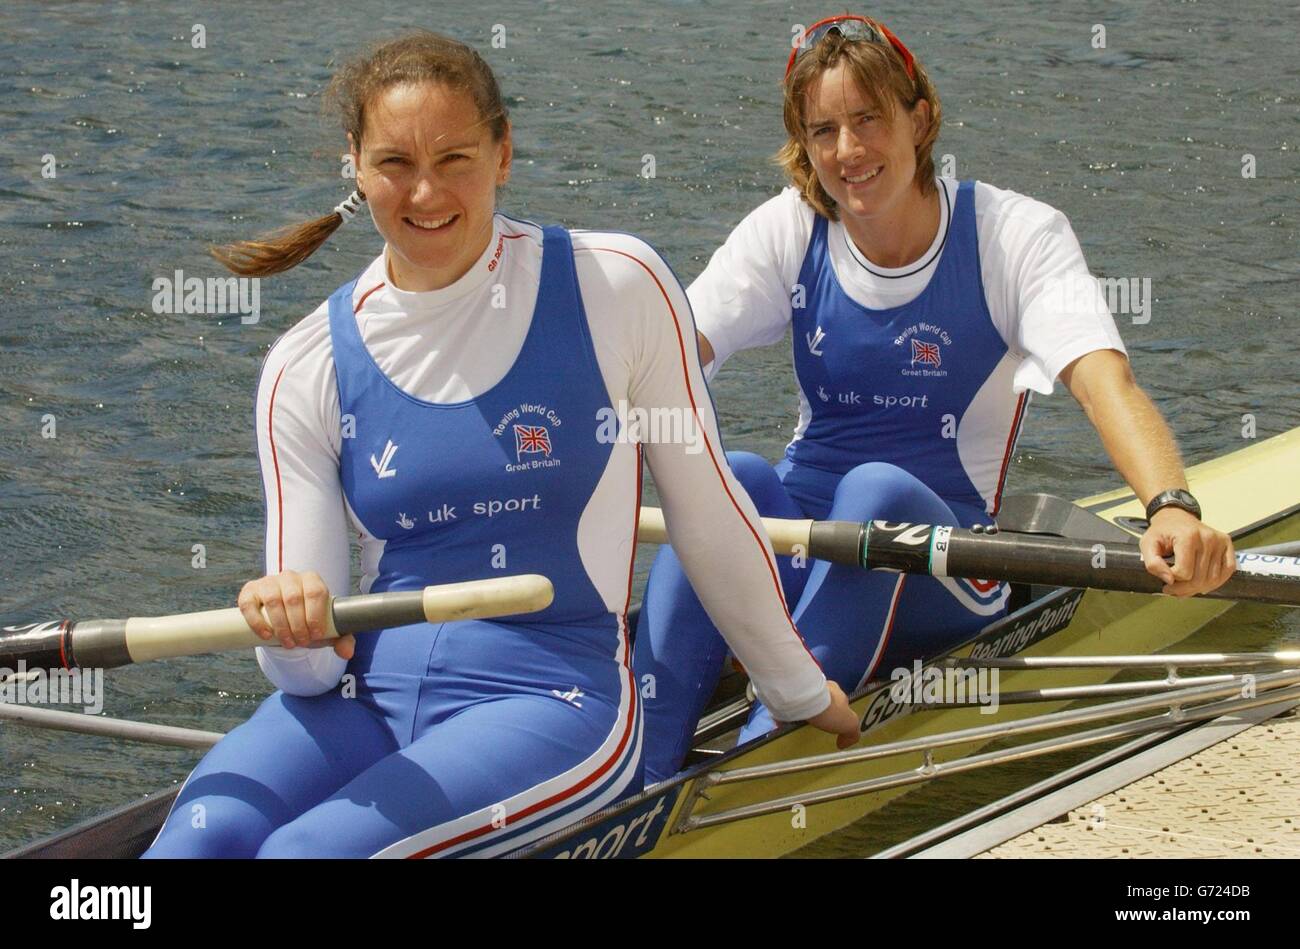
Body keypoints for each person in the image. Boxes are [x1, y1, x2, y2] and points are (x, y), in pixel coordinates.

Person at [142, 30, 857, 859]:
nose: (425, 192)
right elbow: (305, 674)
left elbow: (709, 518)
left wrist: (799, 692)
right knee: (193, 849)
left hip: (557, 696)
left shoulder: (614, 285)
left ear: (504, 152)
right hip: (364, 694)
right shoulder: (303, 365)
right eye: (393, 164)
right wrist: (287, 625)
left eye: (455, 158)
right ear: (355, 166)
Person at [632, 14, 1237, 784]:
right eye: (823, 130)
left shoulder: (1014, 236)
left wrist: (1171, 504)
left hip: (950, 568)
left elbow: (1101, 380)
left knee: (873, 492)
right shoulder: (789, 229)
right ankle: (639, 777)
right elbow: (665, 369)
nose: (847, 152)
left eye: (868, 119)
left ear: (919, 120)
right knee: (734, 474)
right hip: (810, 550)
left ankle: (765, 760)